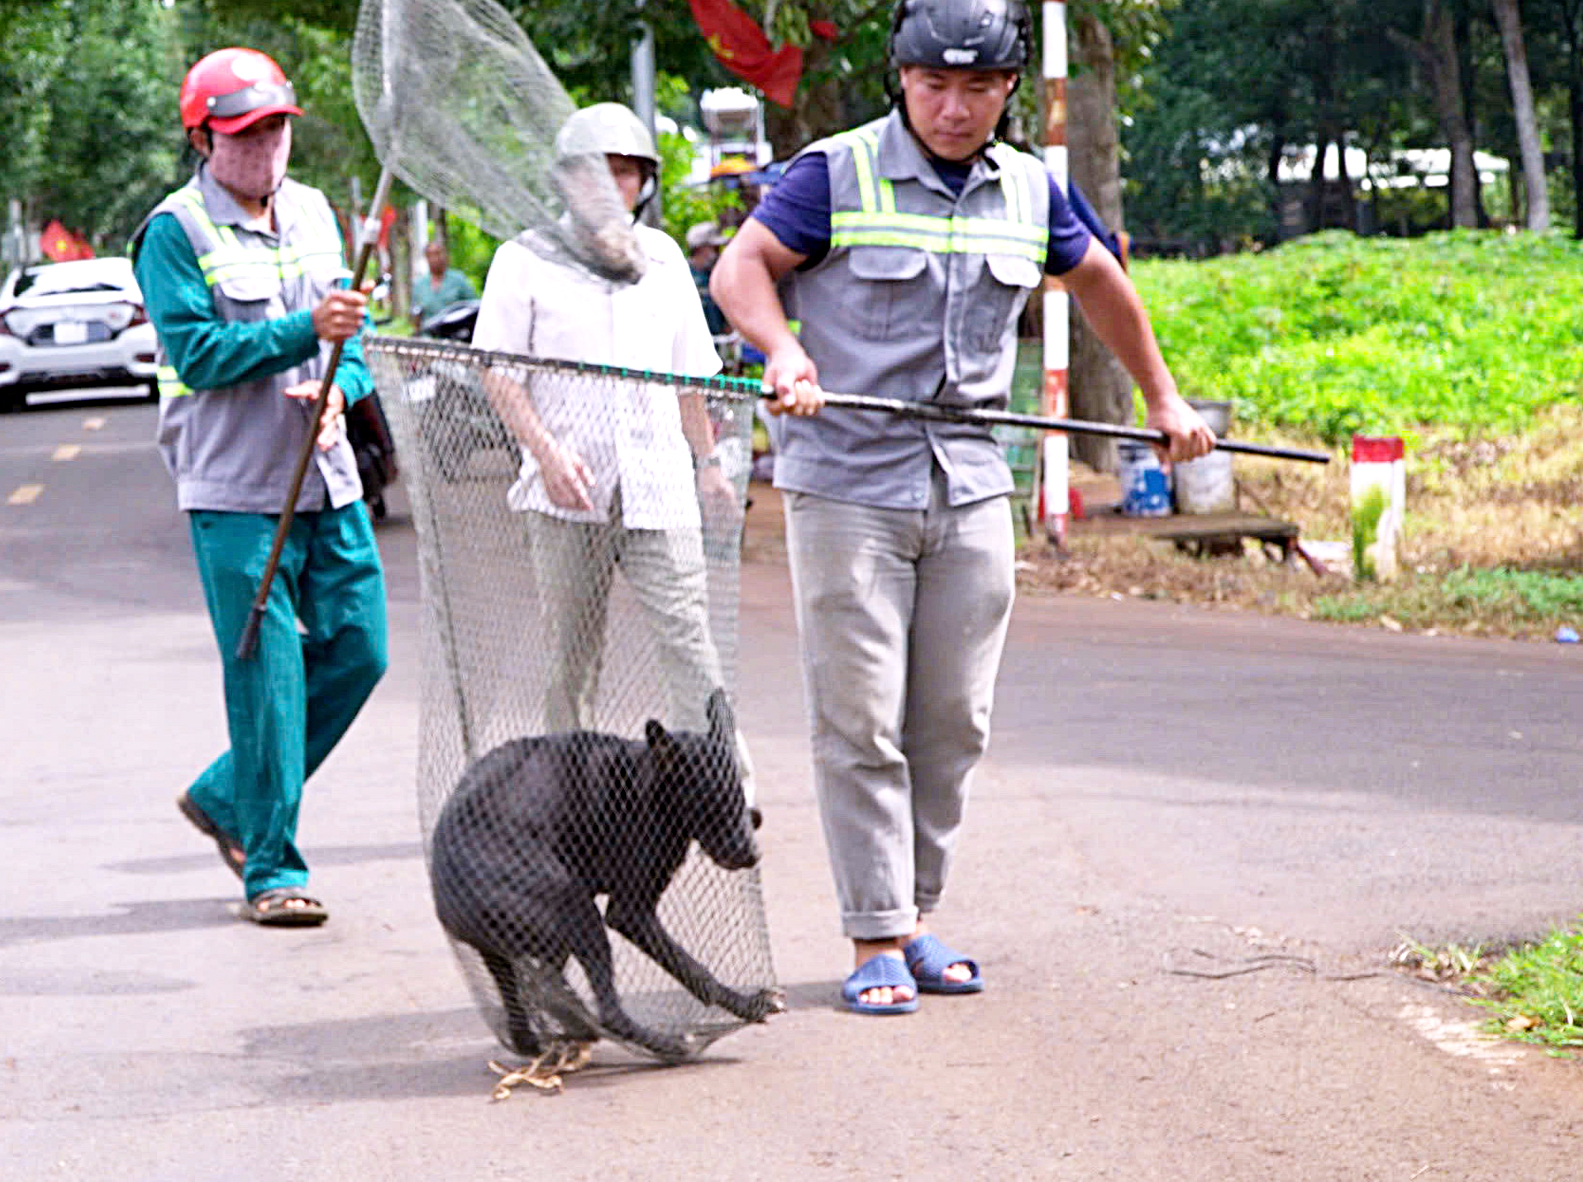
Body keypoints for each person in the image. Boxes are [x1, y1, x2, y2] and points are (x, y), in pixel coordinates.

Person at [710, 0, 1215, 1014]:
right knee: (859, 716)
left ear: (1006, 92)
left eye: (977, 88)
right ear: (902, 78)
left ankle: (914, 914)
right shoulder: (835, 170)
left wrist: (1162, 398)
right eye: (934, 85)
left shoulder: (1031, 188)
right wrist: (787, 350)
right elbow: (741, 268)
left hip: (973, 480)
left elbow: (1103, 282)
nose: (953, 107)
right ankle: (873, 936)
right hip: (848, 478)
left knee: (952, 718)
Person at [132, 46, 389, 927]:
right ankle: (273, 869)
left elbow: (352, 341)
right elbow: (198, 352)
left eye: (278, 128)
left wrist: (340, 390)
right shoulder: (175, 232)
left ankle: (226, 794)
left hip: (327, 477)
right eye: (246, 133)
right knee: (269, 677)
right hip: (236, 491)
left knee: (363, 648)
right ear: (203, 138)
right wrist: (300, 333)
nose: (267, 147)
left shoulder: (318, 214)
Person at [472, 102, 737, 737]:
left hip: (659, 482)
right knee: (572, 656)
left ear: (645, 183)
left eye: (627, 172)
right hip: (568, 489)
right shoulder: (525, 258)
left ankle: (725, 787)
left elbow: (689, 377)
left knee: (689, 639)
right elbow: (500, 373)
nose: (612, 186)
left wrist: (708, 468)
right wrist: (546, 455)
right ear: (567, 179)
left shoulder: (666, 258)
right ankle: (569, 789)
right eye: (597, 171)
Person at [411, 237, 477, 329]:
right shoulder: (420, 285)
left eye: (437, 254)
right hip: (429, 335)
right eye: (430, 255)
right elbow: (416, 314)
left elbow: (473, 307)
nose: (434, 259)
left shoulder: (458, 280)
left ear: (444, 255)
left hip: (455, 334)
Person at [685, 222, 729, 338]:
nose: (717, 253)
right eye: (714, 248)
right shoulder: (682, 274)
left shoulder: (716, 275)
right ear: (699, 248)